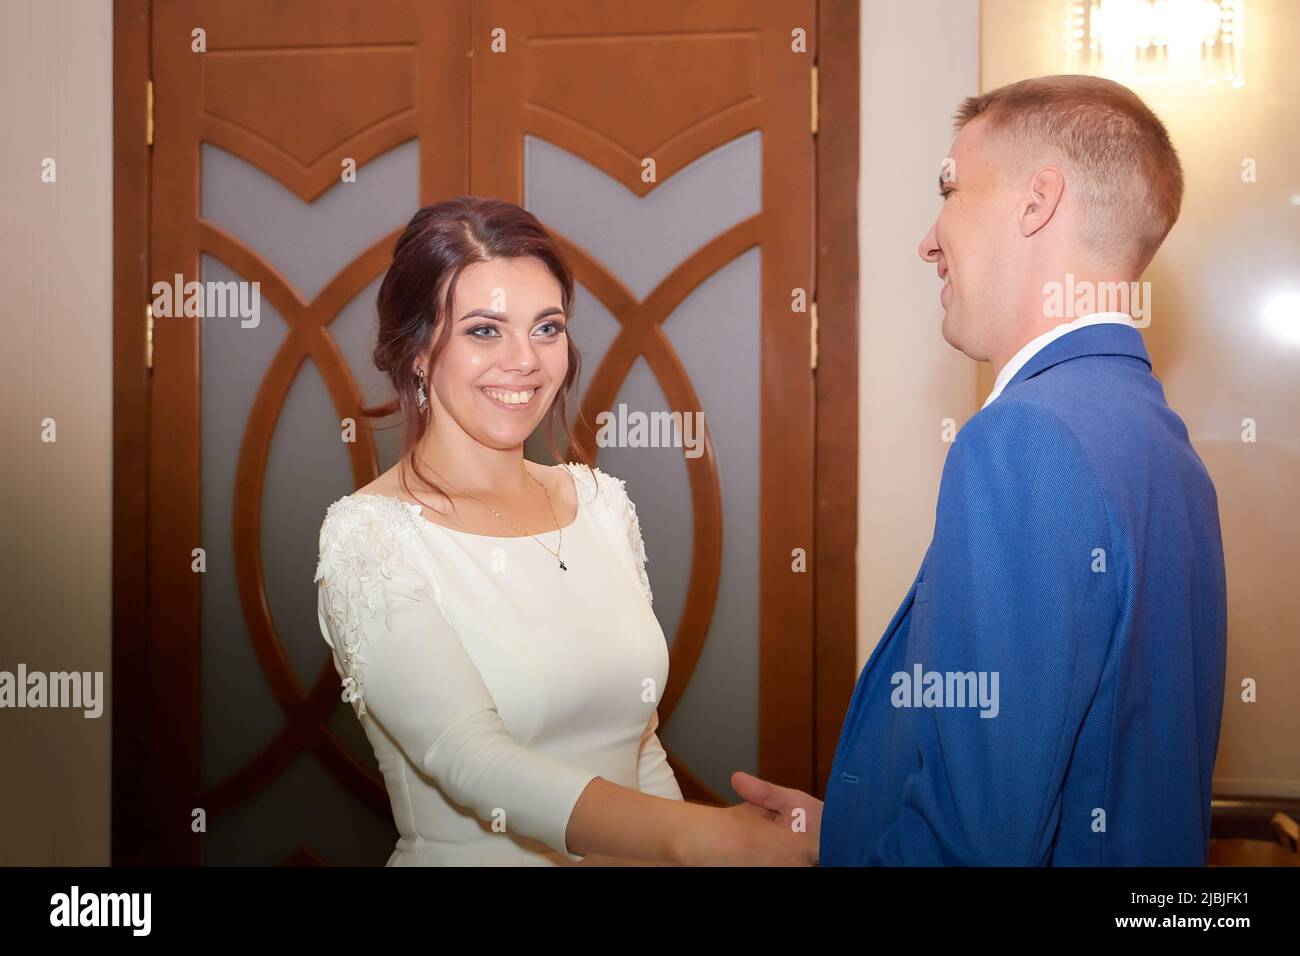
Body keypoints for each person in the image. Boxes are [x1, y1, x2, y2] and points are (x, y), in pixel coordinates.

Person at [735, 75, 1227, 866]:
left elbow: (979, 845)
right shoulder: (1159, 439)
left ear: (1037, 202)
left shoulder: (1026, 438)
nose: (929, 240)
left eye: (950, 189)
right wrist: (849, 833)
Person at [314, 197, 811, 866]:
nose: (525, 360)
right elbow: (472, 761)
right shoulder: (371, 537)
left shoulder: (601, 503)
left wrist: (686, 847)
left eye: (546, 328)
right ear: (419, 353)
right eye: (485, 331)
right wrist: (699, 835)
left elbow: (637, 744)